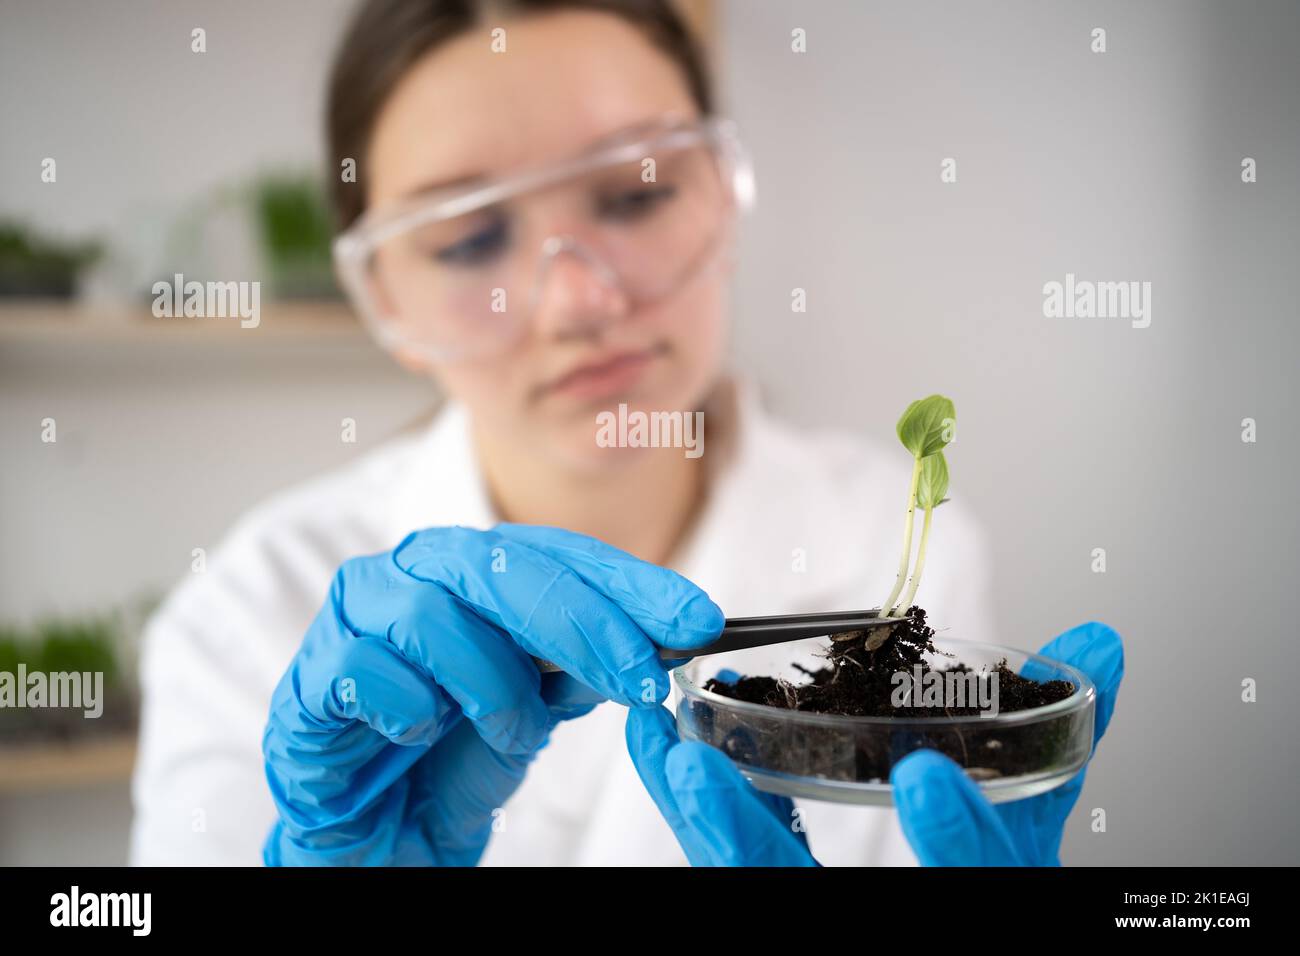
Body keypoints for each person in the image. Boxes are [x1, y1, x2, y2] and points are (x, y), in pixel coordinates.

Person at [129, 0, 1122, 867]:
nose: (577, 300)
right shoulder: (239, 620)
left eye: (638, 192)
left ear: (724, 199)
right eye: (468, 239)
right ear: (382, 294)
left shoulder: (896, 539)